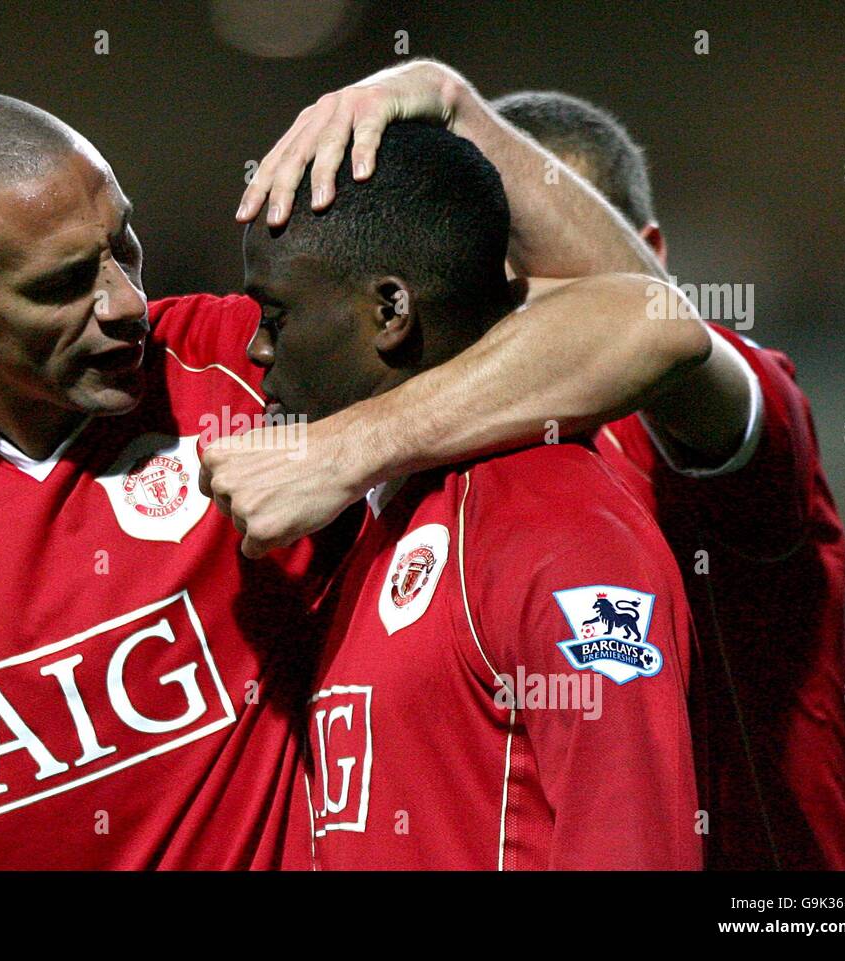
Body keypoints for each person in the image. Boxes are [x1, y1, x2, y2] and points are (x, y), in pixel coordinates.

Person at [0, 76, 696, 868]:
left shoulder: (239, 361)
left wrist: (351, 445)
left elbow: (650, 325)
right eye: (66, 281)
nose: (125, 300)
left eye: (121, 246)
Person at [207, 61, 845, 870]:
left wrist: (452, 100)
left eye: (545, 270)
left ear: (645, 251)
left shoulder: (726, 414)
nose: (513, 303)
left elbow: (652, 321)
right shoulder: (435, 468)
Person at [242, 121, 700, 868]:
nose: (256, 347)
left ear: (390, 311)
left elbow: (633, 845)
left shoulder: (561, 531)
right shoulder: (374, 525)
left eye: (277, 315)